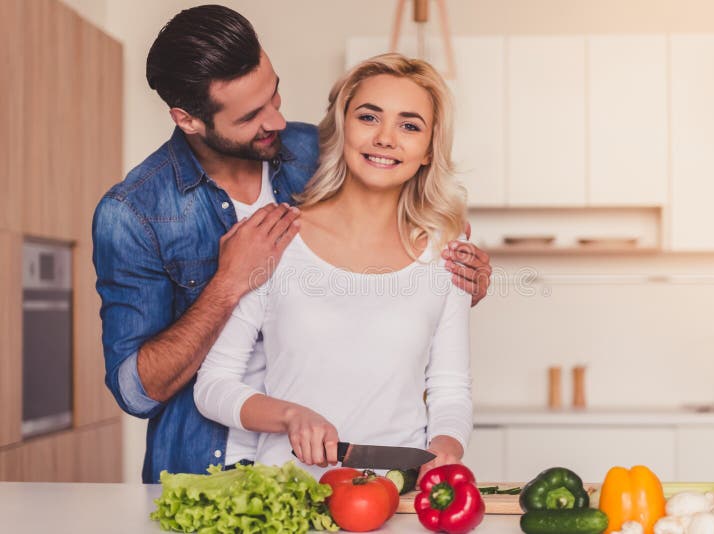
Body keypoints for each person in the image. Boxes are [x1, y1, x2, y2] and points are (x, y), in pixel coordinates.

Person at [92, 4, 492, 484]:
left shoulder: (311, 147)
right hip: (212, 468)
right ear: (189, 120)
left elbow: (394, 174)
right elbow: (138, 390)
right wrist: (229, 282)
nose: (278, 122)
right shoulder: (134, 212)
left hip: (377, 488)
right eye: (252, 115)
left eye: (274, 94)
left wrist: (461, 268)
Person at [194, 53, 471, 483]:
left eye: (409, 125)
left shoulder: (446, 253)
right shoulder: (274, 237)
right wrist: (289, 416)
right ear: (342, 128)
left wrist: (446, 446)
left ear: (429, 151)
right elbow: (213, 386)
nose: (385, 138)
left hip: (397, 496)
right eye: (368, 117)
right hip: (286, 499)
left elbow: (450, 389)